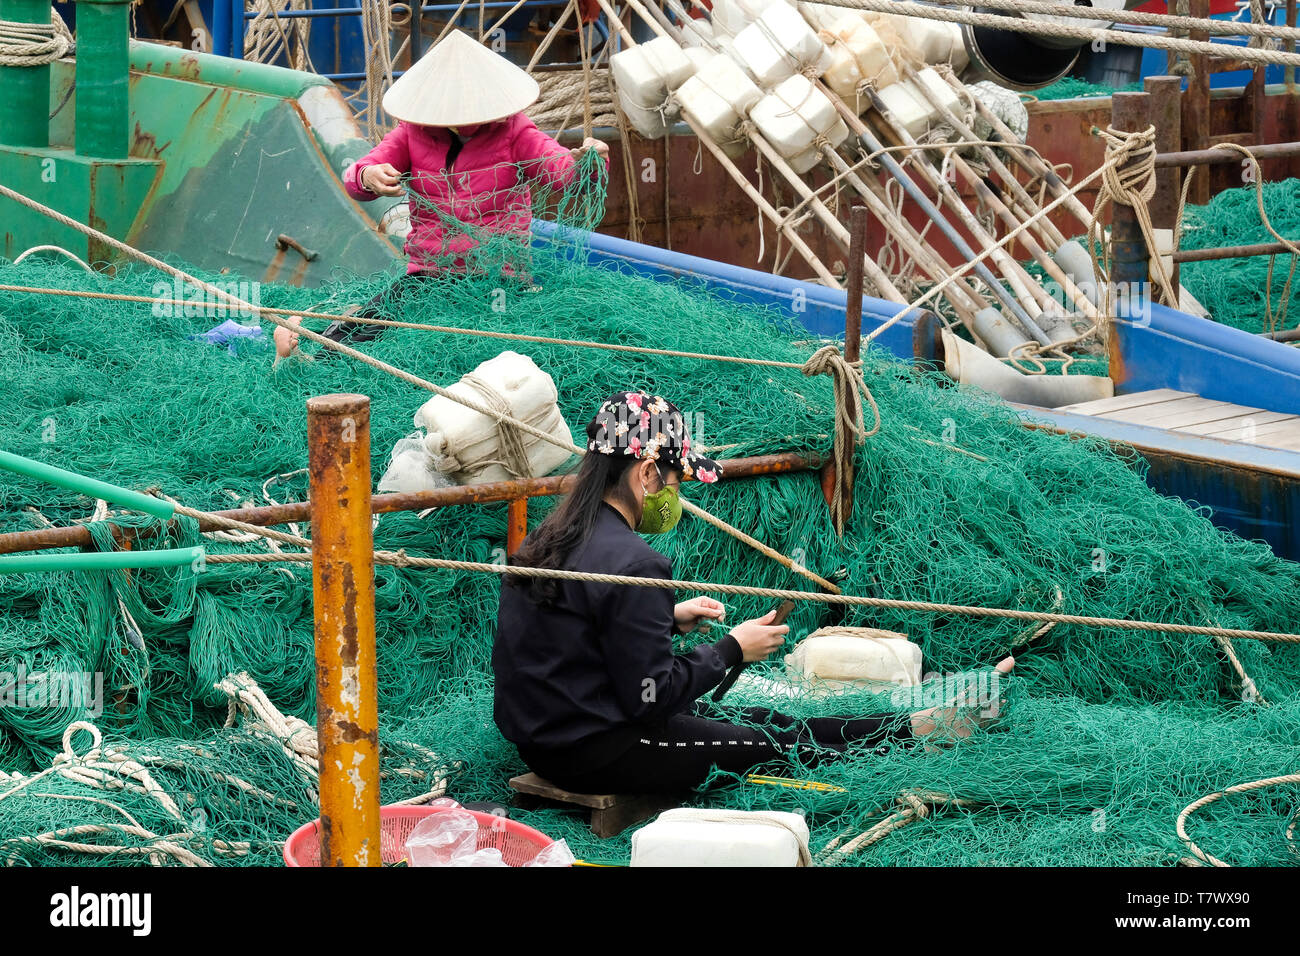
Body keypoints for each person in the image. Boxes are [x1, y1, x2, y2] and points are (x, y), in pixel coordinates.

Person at [493, 391, 1014, 795]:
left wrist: (666, 619)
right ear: (647, 472)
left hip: (543, 740)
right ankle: (923, 732)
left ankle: (917, 722)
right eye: (675, 479)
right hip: (596, 751)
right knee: (774, 742)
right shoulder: (636, 563)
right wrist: (731, 650)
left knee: (774, 719)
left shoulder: (547, 538)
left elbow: (570, 632)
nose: (675, 494)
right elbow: (651, 699)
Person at [319, 29, 610, 345]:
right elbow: (358, 175)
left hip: (499, 279)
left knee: (484, 343)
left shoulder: (516, 132)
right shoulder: (411, 133)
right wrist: (367, 176)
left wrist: (589, 165)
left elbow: (564, 172)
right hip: (428, 274)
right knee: (359, 336)